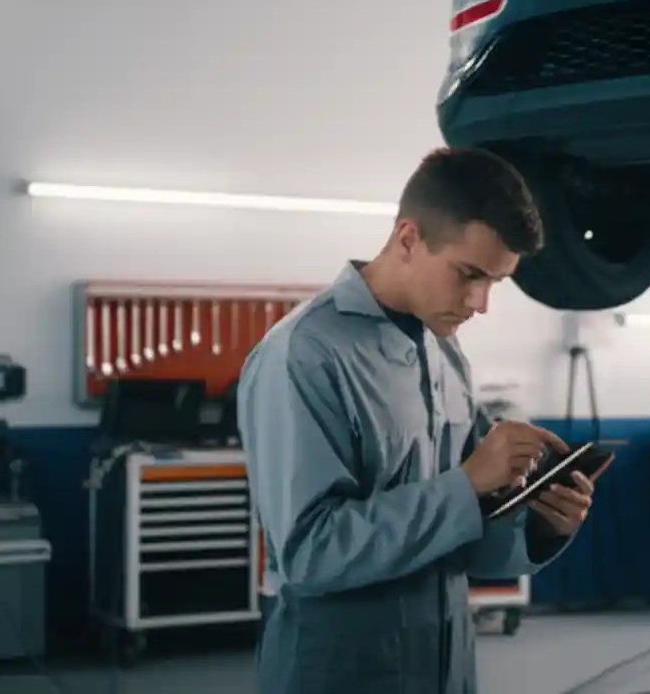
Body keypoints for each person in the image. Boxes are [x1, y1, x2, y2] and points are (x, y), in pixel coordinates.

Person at [236, 146, 599, 693]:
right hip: (339, 672)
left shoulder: (444, 353)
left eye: (495, 283)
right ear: (408, 238)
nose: (480, 303)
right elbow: (311, 553)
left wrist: (543, 523)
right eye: (468, 274)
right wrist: (467, 484)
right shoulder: (304, 355)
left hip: (444, 664)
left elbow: (462, 537)